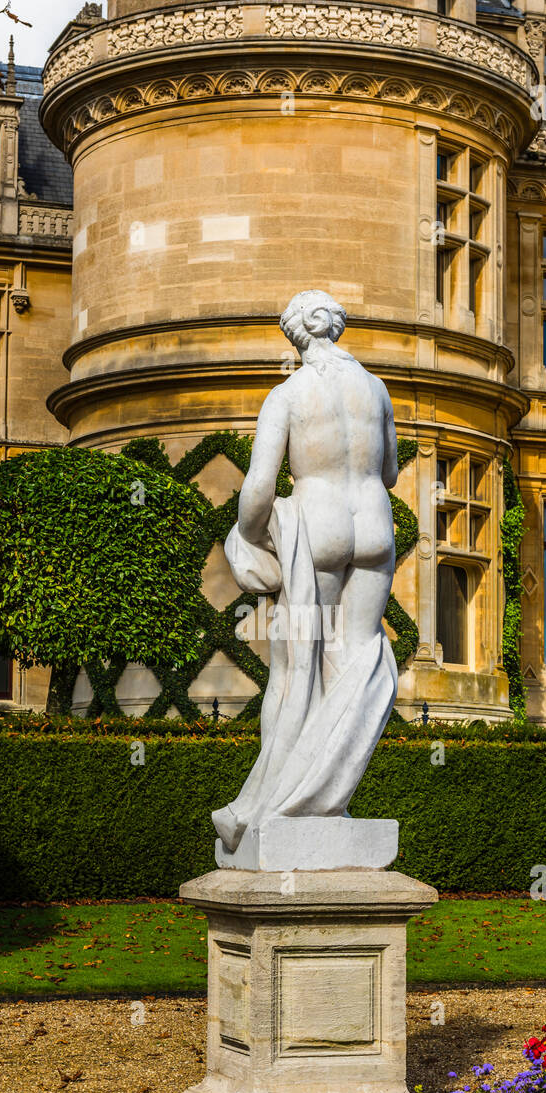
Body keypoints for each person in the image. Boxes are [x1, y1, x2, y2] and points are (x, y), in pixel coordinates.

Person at [212, 289, 400, 858]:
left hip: (317, 531)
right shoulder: (376, 390)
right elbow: (389, 471)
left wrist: (247, 534)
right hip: (373, 528)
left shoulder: (288, 394)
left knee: (296, 671)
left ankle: (274, 802)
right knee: (358, 658)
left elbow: (260, 488)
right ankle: (328, 803)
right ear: (335, 327)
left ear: (293, 335)